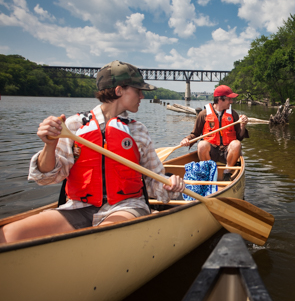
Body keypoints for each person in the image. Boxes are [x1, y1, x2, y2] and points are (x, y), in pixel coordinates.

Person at [0, 60, 185, 244]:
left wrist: (170, 185)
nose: (142, 96)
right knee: (8, 235)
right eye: (138, 90)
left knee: (101, 237)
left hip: (126, 206)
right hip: (78, 207)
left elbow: (154, 181)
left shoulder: (139, 131)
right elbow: (47, 178)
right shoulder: (73, 125)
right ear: (119, 90)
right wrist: (49, 145)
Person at [180, 85, 249, 181]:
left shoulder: (233, 114)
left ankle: (227, 172)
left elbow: (239, 137)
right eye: (229, 99)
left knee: (236, 144)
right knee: (202, 145)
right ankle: (209, 174)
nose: (231, 101)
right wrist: (186, 139)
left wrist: (242, 126)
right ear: (220, 99)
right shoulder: (203, 114)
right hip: (211, 152)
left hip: (227, 152)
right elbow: (195, 134)